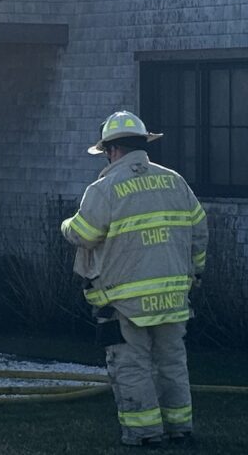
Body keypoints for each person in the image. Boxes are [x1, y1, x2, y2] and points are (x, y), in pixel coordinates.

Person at [61, 111, 207, 448]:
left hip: (124, 300)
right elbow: (200, 232)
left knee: (131, 364)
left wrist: (66, 224)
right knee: (172, 362)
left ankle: (144, 433)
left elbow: (83, 234)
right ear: (142, 145)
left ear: (112, 150)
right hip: (173, 296)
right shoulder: (176, 182)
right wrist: (194, 273)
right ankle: (180, 428)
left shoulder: (105, 188)